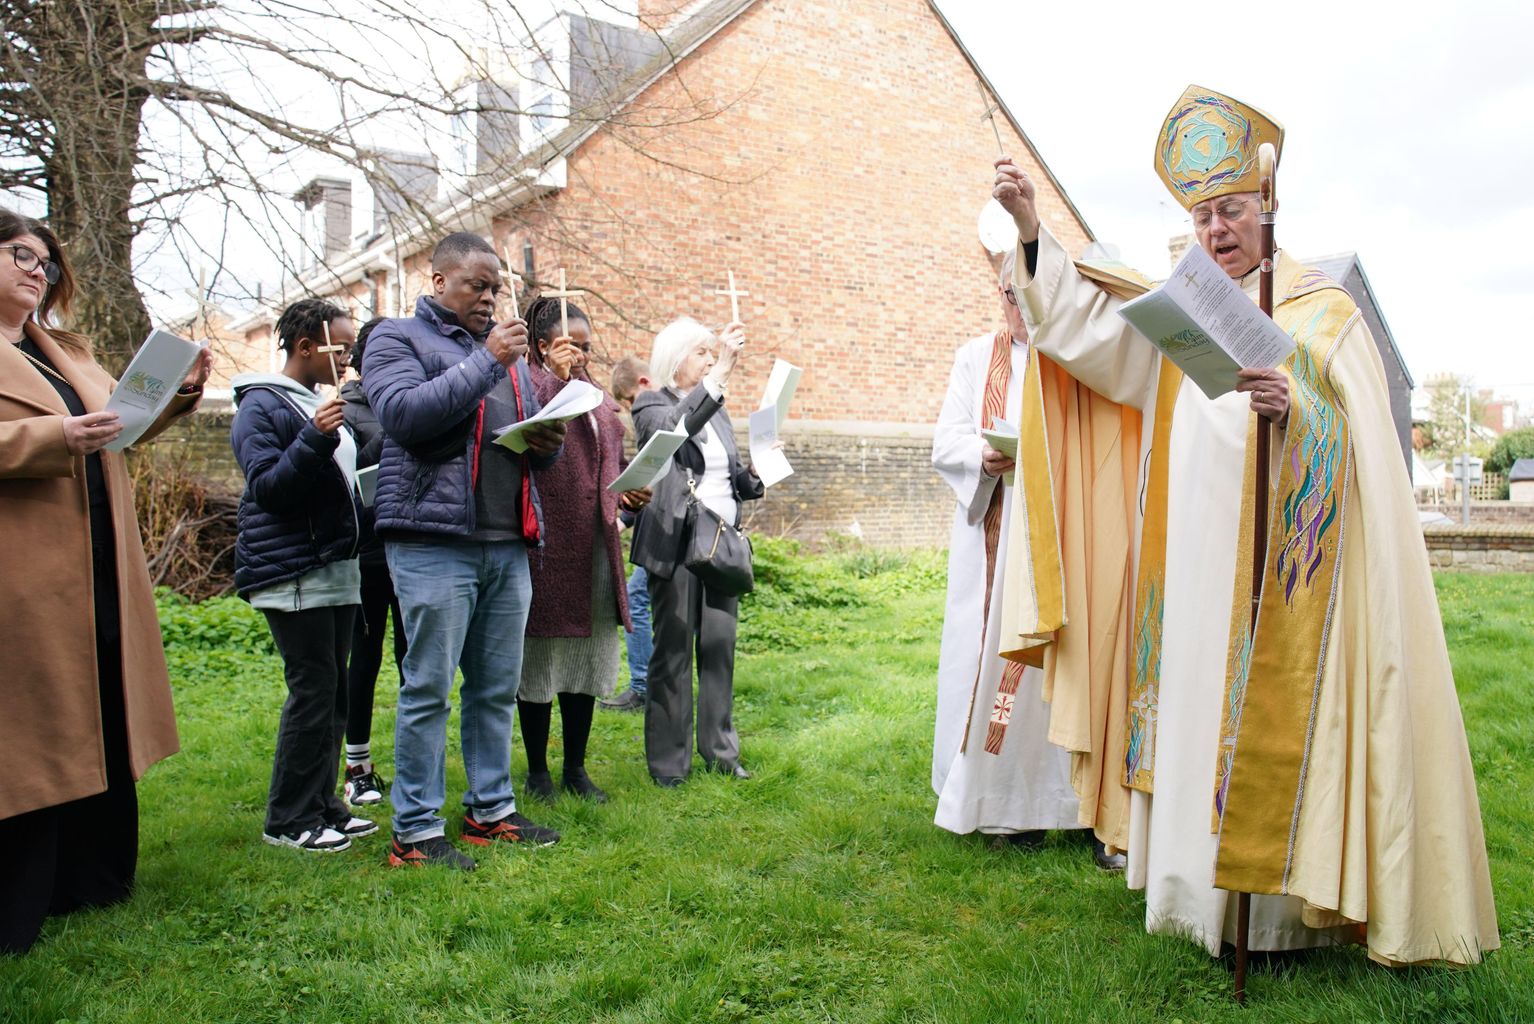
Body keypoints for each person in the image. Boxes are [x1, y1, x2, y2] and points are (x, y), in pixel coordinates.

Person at [991, 85, 1498, 965]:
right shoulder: (1181, 306)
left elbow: (1366, 446)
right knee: (1187, 708)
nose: (1216, 231)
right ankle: (1190, 899)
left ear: (1268, 210)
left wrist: (1295, 405)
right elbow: (1095, 342)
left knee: (1248, 719)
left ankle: (1265, 919)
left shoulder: (1323, 313)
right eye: (1201, 215)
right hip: (1182, 574)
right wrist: (1035, 233)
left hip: (1280, 581)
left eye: (1230, 211)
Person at [0, 207, 210, 954]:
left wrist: (175, 396)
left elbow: (114, 430)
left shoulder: (65, 351)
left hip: (100, 568)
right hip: (23, 575)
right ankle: (24, 900)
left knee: (101, 715)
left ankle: (92, 878)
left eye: (47, 264)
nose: (38, 271)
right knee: (35, 730)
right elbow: (61, 436)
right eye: (22, 255)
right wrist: (47, 436)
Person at [362, 232, 565, 870]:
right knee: (427, 687)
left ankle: (490, 811)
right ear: (438, 281)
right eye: (476, 284)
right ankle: (415, 832)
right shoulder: (398, 339)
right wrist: (486, 362)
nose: (488, 297)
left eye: (495, 287)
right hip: (434, 544)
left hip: (506, 542)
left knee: (495, 687)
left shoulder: (504, 356)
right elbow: (403, 417)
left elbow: (529, 444)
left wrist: (548, 439)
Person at [931, 254, 1125, 871]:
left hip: (1070, 532)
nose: (1012, 306)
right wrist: (982, 457)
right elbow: (948, 439)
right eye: (1005, 294)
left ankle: (1090, 811)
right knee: (999, 658)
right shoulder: (973, 358)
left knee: (1082, 655)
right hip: (1000, 528)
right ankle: (1005, 806)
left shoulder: (1074, 355)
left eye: (1023, 294)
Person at [231, 298, 376, 853]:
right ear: (307, 347)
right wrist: (314, 437)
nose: (349, 362)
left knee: (334, 693)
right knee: (312, 692)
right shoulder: (261, 406)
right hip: (294, 573)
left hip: (336, 569)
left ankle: (324, 807)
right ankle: (287, 819)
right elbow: (269, 488)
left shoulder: (318, 405)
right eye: (341, 349)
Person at [515, 298, 650, 803]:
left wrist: (627, 490)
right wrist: (552, 375)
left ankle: (575, 768)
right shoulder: (527, 382)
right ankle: (536, 773)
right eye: (574, 346)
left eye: (588, 347)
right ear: (544, 344)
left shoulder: (596, 395)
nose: (583, 356)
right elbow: (533, 431)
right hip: (549, 547)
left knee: (586, 659)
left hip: (596, 545)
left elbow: (606, 459)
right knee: (541, 658)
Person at [630, 318, 764, 786]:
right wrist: (721, 372)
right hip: (677, 540)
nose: (710, 360)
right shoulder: (650, 402)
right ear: (676, 357)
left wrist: (756, 472)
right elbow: (674, 432)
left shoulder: (718, 407)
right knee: (672, 652)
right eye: (702, 353)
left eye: (713, 354)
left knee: (718, 648)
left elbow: (727, 475)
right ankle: (670, 765)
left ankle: (721, 752)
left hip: (722, 543)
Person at [338, 317, 404, 807]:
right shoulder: (343, 408)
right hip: (365, 554)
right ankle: (357, 765)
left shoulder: (408, 399)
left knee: (413, 659)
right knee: (364, 659)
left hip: (410, 548)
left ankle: (413, 761)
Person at [601, 355, 656, 714]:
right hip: (659, 526)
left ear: (644, 383)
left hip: (671, 532)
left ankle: (644, 686)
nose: (631, 411)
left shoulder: (654, 413)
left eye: (631, 401)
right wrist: (623, 518)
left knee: (636, 597)